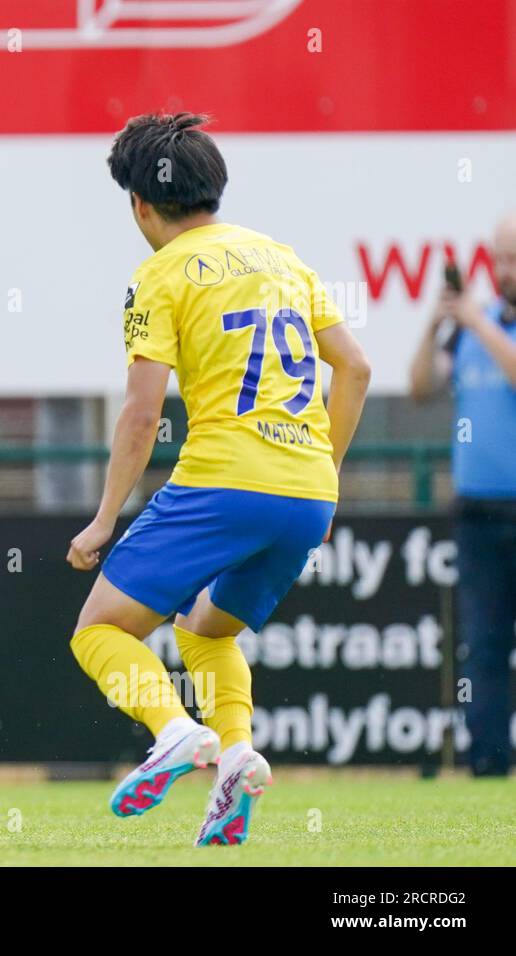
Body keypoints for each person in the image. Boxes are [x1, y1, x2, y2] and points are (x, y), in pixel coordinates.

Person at [65, 113, 371, 845]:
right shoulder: (282, 259)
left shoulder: (160, 274)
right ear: (215, 187)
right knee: (205, 626)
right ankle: (235, 752)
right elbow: (355, 368)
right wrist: (324, 477)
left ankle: (173, 731)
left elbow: (142, 416)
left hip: (224, 479)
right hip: (304, 492)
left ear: (140, 204)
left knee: (100, 630)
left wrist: (106, 518)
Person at [409, 213, 516, 777]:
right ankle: (490, 763)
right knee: (485, 644)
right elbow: (421, 385)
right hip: (478, 513)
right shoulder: (473, 330)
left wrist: (476, 320)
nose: (503, 271)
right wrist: (438, 320)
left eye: (513, 261)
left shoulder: (485, 328)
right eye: (498, 259)